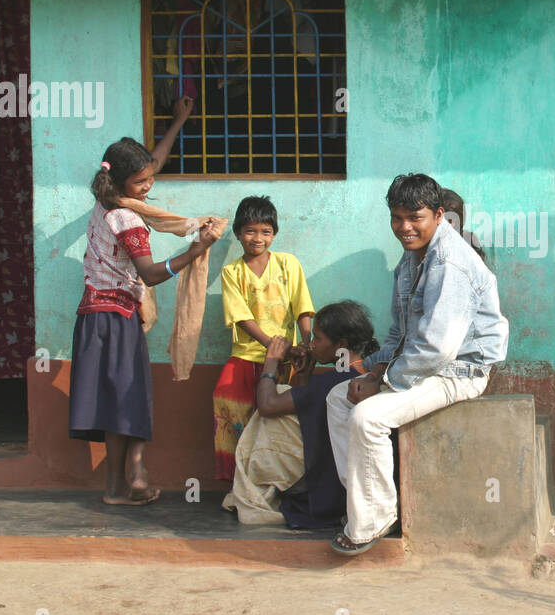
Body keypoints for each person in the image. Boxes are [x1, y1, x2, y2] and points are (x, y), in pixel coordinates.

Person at [326, 173, 509, 555]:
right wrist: (374, 368)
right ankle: (361, 502)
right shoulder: (411, 259)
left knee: (368, 417)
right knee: (338, 398)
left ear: (439, 215)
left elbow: (438, 349)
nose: (404, 227)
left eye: (415, 217)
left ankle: (374, 519)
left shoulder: (450, 262)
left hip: (459, 371)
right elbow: (400, 332)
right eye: (397, 218)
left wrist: (384, 383)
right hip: (423, 366)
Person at [70, 96, 223, 505]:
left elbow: (151, 161)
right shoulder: (129, 220)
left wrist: (178, 122)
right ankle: (133, 474)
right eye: (141, 183)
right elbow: (151, 273)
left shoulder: (106, 204)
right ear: (120, 182)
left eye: (149, 179)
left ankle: (116, 489)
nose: (149, 186)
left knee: (118, 400)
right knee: (129, 396)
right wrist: (195, 248)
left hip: (92, 316)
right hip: (116, 318)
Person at [223, 301, 378, 527]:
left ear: (341, 345)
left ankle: (258, 488)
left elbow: (267, 405)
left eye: (318, 339)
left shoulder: (331, 383)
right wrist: (305, 372)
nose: (312, 344)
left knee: (271, 414)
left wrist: (272, 362)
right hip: (337, 479)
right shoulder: (363, 375)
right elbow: (306, 400)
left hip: (324, 482)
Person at [212, 196, 315, 480]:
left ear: (274, 234)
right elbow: (241, 317)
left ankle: (276, 479)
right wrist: (273, 346)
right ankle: (238, 481)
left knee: (277, 421)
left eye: (265, 232)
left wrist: (306, 343)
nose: (258, 238)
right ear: (238, 233)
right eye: (250, 231)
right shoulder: (232, 272)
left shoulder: (287, 264)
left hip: (287, 360)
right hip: (246, 355)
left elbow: (302, 306)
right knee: (228, 407)